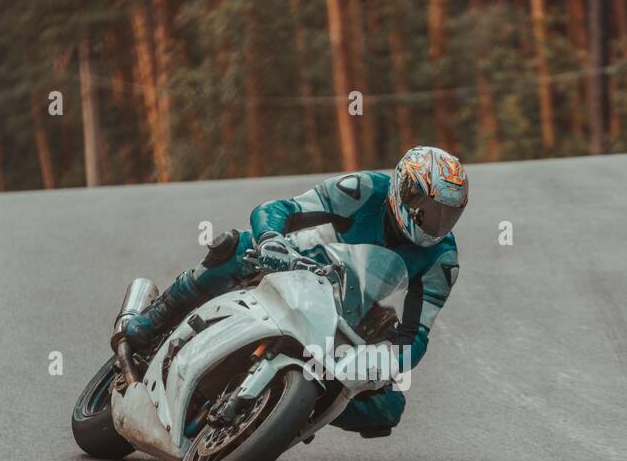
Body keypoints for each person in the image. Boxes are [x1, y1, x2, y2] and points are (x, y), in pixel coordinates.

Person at [124, 145, 467, 437]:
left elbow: (417, 333)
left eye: (447, 216)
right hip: (298, 265)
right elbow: (280, 209)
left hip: (349, 318)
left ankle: (289, 413)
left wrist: (387, 359)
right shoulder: (363, 189)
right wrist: (272, 239)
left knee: (387, 408)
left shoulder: (442, 258)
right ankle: (155, 318)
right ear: (405, 190)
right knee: (236, 246)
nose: (436, 223)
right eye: (430, 210)